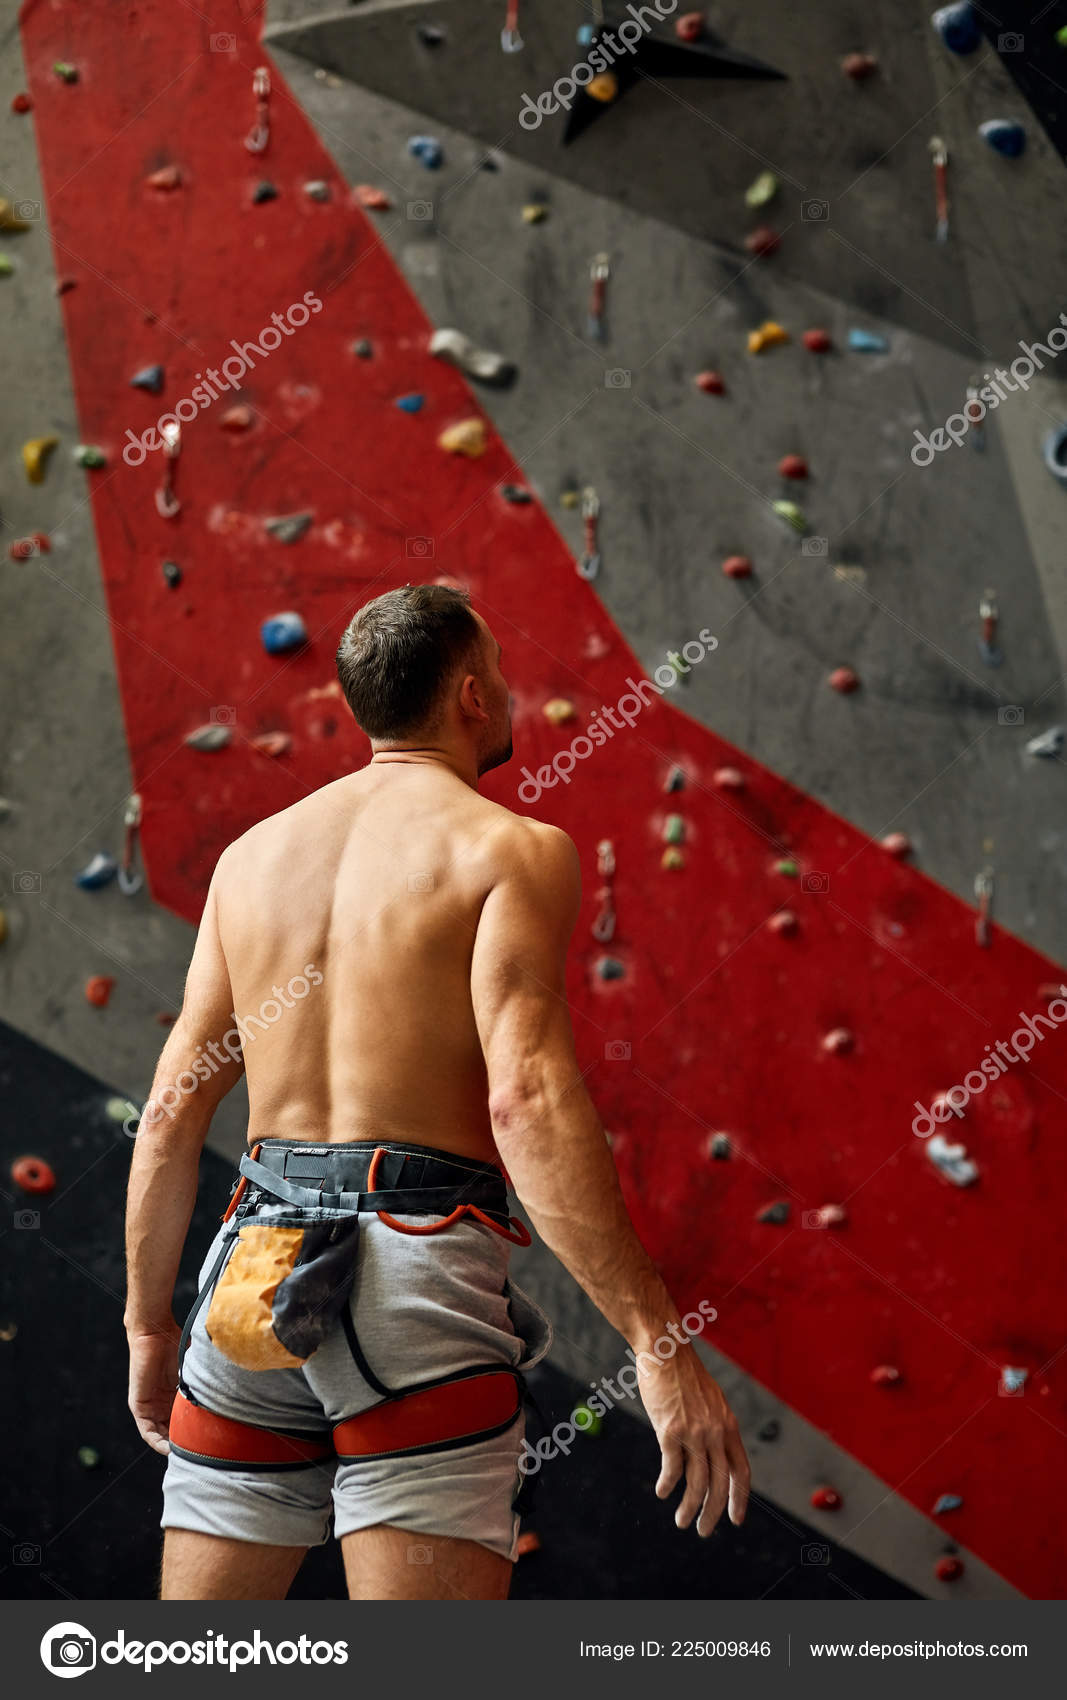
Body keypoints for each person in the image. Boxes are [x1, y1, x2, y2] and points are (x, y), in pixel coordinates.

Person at [124, 583, 749, 1602]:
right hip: (414, 1269)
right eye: (498, 673)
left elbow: (170, 1112)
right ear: (469, 695)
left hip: (250, 1273)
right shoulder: (507, 849)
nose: (507, 692)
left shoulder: (248, 863)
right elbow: (525, 1099)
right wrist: (653, 1337)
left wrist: (152, 1329)